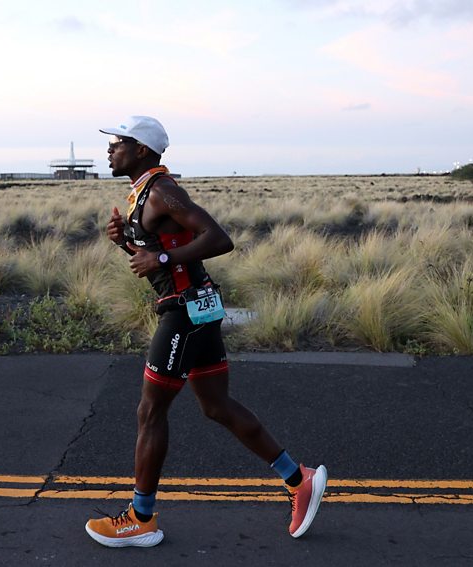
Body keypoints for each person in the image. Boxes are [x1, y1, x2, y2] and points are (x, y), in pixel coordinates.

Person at [84, 116, 327, 548]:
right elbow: (165, 251)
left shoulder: (162, 191)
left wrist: (157, 262)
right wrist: (125, 242)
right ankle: (299, 478)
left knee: (150, 412)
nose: (109, 149)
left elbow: (218, 238)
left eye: (118, 142)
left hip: (184, 313)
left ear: (142, 150)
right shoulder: (146, 193)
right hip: (197, 308)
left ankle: (140, 519)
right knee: (215, 406)